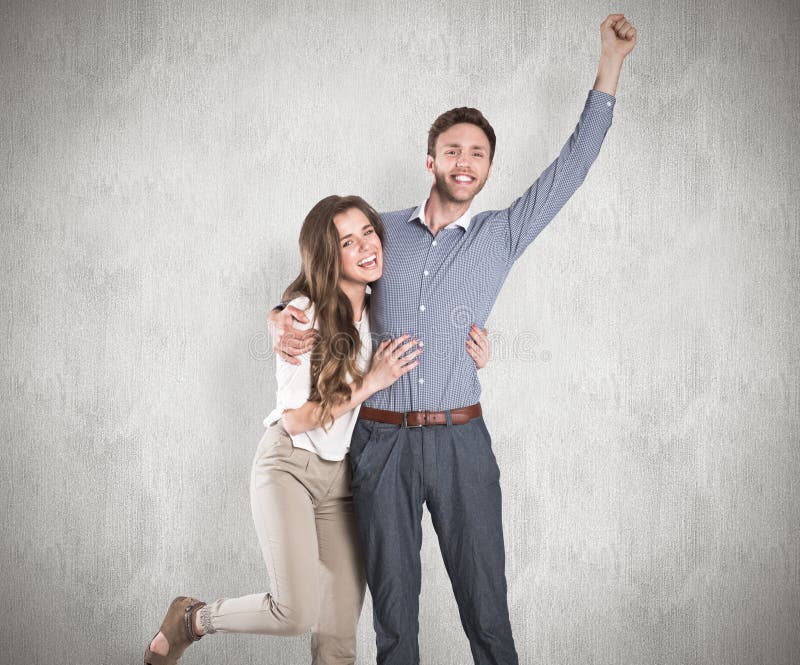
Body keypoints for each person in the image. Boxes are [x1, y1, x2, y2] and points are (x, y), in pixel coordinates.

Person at [269, 14, 637, 665]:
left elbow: (573, 164)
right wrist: (278, 314)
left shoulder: (503, 233)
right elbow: (322, 269)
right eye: (453, 150)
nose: (465, 162)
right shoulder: (379, 231)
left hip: (461, 442)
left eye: (478, 153)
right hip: (378, 442)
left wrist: (610, 63)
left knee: (487, 614)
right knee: (394, 622)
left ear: (489, 168)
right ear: (430, 160)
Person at [143, 195, 491, 665]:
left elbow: (438, 326)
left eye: (368, 231)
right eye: (348, 241)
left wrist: (477, 352)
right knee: (294, 612)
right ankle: (194, 619)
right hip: (290, 464)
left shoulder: (381, 304)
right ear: (330, 256)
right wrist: (369, 382)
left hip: (345, 480)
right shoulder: (303, 315)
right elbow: (297, 418)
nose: (366, 246)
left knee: (338, 632)